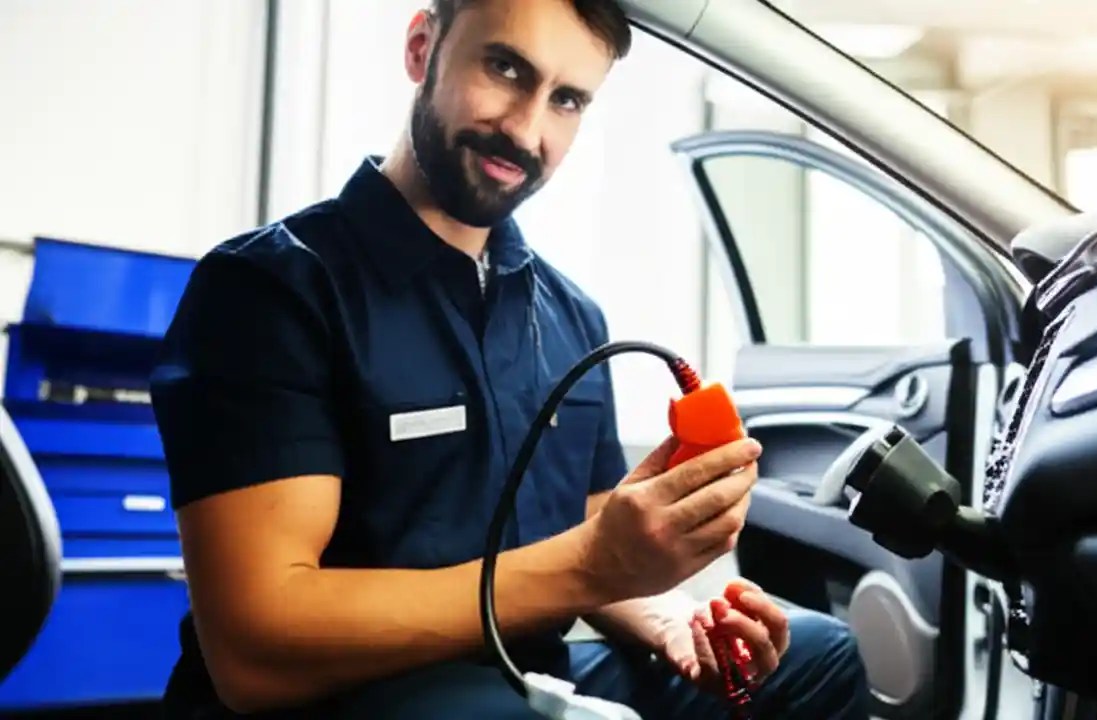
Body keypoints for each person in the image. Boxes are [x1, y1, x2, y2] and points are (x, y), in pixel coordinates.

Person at [149, 0, 870, 717]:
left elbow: (589, 534)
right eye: (505, 67)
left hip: (523, 678)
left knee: (821, 655)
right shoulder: (272, 290)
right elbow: (256, 647)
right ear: (422, 48)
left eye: (566, 100)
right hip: (339, 698)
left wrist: (668, 618)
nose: (527, 129)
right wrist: (592, 564)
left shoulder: (570, 315)